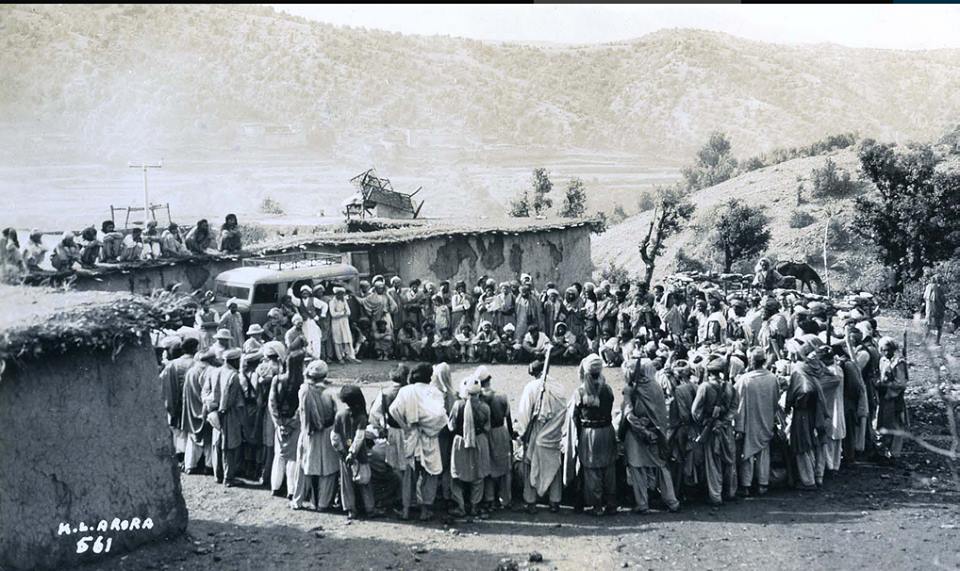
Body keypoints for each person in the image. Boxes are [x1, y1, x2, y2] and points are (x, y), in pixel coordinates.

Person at [621, 348, 681, 514]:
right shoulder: (656, 387)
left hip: (637, 434)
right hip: (656, 432)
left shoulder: (630, 390)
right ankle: (672, 501)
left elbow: (629, 414)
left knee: (637, 468)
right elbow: (661, 413)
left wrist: (642, 430)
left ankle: (642, 503)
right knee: (661, 467)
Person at [388, 363, 448, 521]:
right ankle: (424, 510)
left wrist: (405, 427)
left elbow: (393, 410)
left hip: (412, 436)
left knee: (409, 475)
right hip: (429, 438)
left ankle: (406, 510)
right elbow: (441, 417)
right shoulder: (436, 392)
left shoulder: (406, 391)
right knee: (429, 475)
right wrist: (430, 428)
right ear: (430, 376)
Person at [563, 354, 618, 516]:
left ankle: (597, 506)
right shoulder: (607, 389)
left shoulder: (580, 392)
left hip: (590, 433)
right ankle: (612, 503)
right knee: (609, 468)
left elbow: (574, 416)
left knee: (591, 469)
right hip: (607, 431)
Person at [516, 360, 565, 514]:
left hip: (539, 429)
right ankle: (554, 501)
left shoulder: (531, 388)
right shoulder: (559, 387)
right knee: (553, 463)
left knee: (531, 462)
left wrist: (521, 433)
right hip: (554, 430)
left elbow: (524, 412)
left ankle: (531, 501)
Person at [691, 355, 739, 505]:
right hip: (725, 428)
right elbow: (734, 408)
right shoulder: (730, 386)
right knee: (729, 460)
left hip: (711, 429)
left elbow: (695, 411)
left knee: (713, 463)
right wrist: (723, 421)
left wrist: (707, 421)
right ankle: (730, 492)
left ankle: (716, 496)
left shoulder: (704, 387)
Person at [292, 359, 339, 510]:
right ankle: (323, 503)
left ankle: (298, 500)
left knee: (304, 467)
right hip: (326, 432)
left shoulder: (304, 390)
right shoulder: (330, 393)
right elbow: (337, 413)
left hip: (307, 433)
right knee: (327, 469)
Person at [785, 336, 830, 491]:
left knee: (802, 444)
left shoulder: (798, 369)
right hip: (815, 411)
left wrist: (794, 402)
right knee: (814, 443)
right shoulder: (813, 368)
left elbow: (803, 390)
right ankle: (817, 476)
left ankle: (808, 480)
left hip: (803, 411)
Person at [734, 348, 781, 496]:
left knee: (747, 455)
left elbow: (739, 405)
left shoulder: (745, 380)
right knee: (763, 454)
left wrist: (739, 427)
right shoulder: (772, 378)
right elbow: (776, 400)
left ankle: (746, 485)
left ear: (751, 361)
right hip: (766, 419)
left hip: (750, 421)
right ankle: (762, 484)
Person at [332, 385, 380, 519]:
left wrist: (342, 451)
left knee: (346, 483)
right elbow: (359, 438)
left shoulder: (340, 415)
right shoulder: (361, 418)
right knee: (365, 482)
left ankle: (350, 509)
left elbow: (334, 437)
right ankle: (370, 509)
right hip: (360, 455)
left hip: (343, 455)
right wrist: (352, 453)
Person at [448, 375, 492, 518]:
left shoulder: (457, 405)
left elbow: (451, 426)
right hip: (479, 441)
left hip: (461, 442)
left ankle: (460, 506)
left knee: (457, 475)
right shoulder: (484, 407)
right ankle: (474, 506)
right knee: (478, 476)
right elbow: (487, 427)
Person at [478, 367, 514, 511]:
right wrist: (511, 435)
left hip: (486, 433)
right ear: (489, 379)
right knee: (505, 467)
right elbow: (508, 418)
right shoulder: (501, 396)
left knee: (489, 467)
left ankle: (490, 499)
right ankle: (505, 499)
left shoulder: (479, 398)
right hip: (500, 431)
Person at [269, 350, 302, 498]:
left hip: (280, 421)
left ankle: (275, 486)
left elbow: (272, 402)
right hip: (295, 424)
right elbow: (301, 408)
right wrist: (293, 423)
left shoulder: (277, 379)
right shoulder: (302, 383)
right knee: (293, 457)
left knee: (279, 455)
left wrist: (279, 423)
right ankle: (292, 490)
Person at [182, 347, 218, 474]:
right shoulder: (212, 371)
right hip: (206, 409)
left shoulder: (190, 372)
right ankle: (209, 466)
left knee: (193, 440)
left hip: (192, 409)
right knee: (209, 440)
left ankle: (190, 465)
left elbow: (186, 394)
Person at [217, 348, 245, 487]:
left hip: (218, 412)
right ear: (234, 360)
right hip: (230, 413)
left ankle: (220, 474)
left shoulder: (219, 371)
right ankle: (229, 477)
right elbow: (231, 399)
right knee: (231, 446)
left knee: (220, 444)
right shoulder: (234, 376)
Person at [877, 336, 909, 461]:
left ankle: (894, 452)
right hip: (885, 396)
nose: (886, 352)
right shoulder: (883, 360)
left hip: (894, 396)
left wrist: (887, 386)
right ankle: (885, 449)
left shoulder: (899, 362)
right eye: (884, 350)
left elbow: (901, 383)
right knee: (885, 422)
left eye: (888, 350)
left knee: (896, 424)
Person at [330, 286, 360, 363]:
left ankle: (351, 356)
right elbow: (333, 314)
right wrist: (342, 313)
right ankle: (340, 358)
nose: (341, 296)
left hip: (344, 322)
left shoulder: (344, 301)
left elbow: (349, 312)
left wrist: (343, 313)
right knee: (338, 340)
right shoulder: (332, 302)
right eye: (339, 294)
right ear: (336, 294)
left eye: (342, 294)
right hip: (336, 323)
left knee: (347, 339)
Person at [924, 275, 947, 345]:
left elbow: (925, 297)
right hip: (937, 308)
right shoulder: (938, 288)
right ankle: (937, 341)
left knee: (928, 324)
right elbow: (941, 299)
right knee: (939, 325)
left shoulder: (928, 287)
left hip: (929, 308)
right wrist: (943, 306)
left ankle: (925, 340)